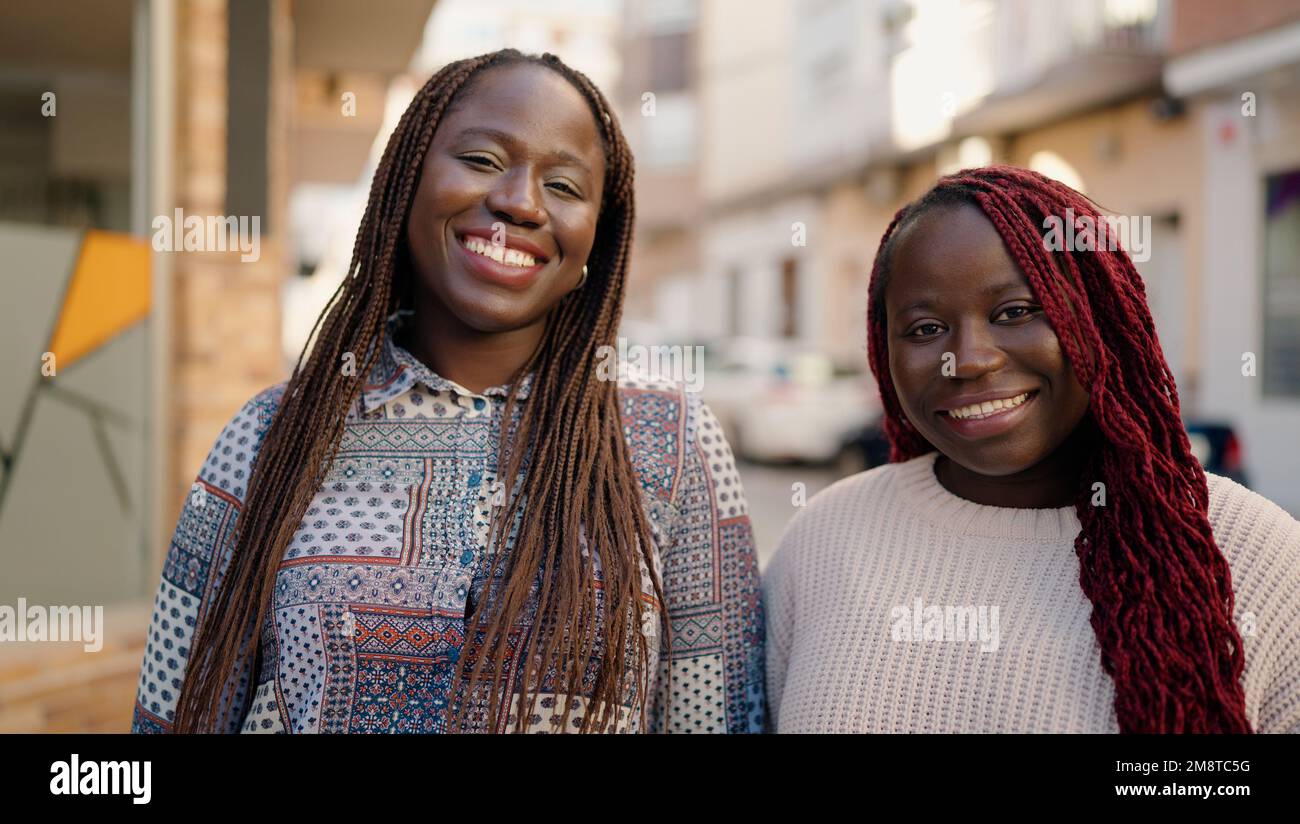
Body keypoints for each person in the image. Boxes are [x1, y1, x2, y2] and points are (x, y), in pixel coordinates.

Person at [131, 49, 764, 734]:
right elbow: (174, 714)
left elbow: (720, 718)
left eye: (564, 185)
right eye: (483, 161)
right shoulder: (272, 436)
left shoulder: (671, 441)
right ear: (407, 184)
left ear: (594, 240)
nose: (519, 202)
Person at [764, 165, 1300, 733]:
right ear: (882, 348)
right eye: (925, 329)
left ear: (1100, 318)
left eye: (1015, 312)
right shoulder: (821, 541)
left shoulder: (1256, 556)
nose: (969, 359)